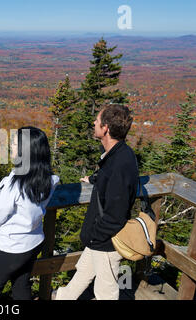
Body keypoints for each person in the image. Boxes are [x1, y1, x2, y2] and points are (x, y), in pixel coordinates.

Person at [54, 104, 138, 300]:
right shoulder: (119, 153)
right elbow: (110, 180)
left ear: (106, 128)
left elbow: (115, 214)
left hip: (106, 241)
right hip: (100, 238)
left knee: (106, 293)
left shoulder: (120, 163)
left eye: (98, 121)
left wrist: (95, 236)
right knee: (83, 273)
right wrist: (94, 179)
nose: (94, 122)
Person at [0, 126, 60, 300]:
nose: (11, 147)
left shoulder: (14, 184)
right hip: (33, 242)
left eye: (15, 144)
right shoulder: (51, 180)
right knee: (21, 284)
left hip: (9, 247)